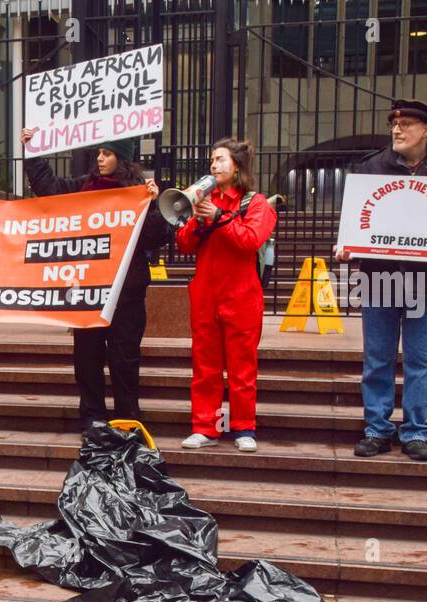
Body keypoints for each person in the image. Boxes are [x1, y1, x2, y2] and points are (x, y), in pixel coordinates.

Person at [335, 99, 427, 463]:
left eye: (406, 124)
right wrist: (347, 245)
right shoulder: (373, 165)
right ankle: (377, 429)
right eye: (394, 124)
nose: (396, 130)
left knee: (421, 359)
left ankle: (415, 432)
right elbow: (358, 216)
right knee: (378, 358)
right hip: (382, 276)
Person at [21, 131, 171, 430]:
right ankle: (92, 418)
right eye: (99, 152)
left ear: (123, 159)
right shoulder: (84, 188)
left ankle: (128, 420)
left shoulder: (140, 192)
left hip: (126, 293)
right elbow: (49, 189)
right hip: (87, 291)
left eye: (107, 153)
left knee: (124, 359)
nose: (99, 159)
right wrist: (32, 150)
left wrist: (153, 205)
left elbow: (157, 237)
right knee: (87, 359)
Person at [175, 138, 276, 453]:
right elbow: (184, 244)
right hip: (206, 293)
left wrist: (219, 218)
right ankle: (207, 427)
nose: (214, 165)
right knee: (205, 365)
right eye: (212, 160)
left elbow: (250, 240)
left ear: (237, 166)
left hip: (241, 295)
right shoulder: (205, 199)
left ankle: (244, 427)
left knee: (241, 366)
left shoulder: (255, 203)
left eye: (220, 159)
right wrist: (198, 221)